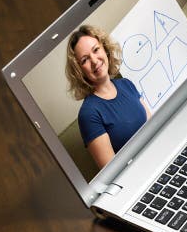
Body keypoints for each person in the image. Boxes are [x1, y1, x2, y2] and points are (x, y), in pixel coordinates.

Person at [65, 25, 151, 169]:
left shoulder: (126, 84)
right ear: (80, 71)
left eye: (96, 50)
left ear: (105, 49)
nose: (94, 60)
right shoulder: (88, 114)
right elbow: (112, 172)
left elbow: (153, 125)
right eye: (85, 60)